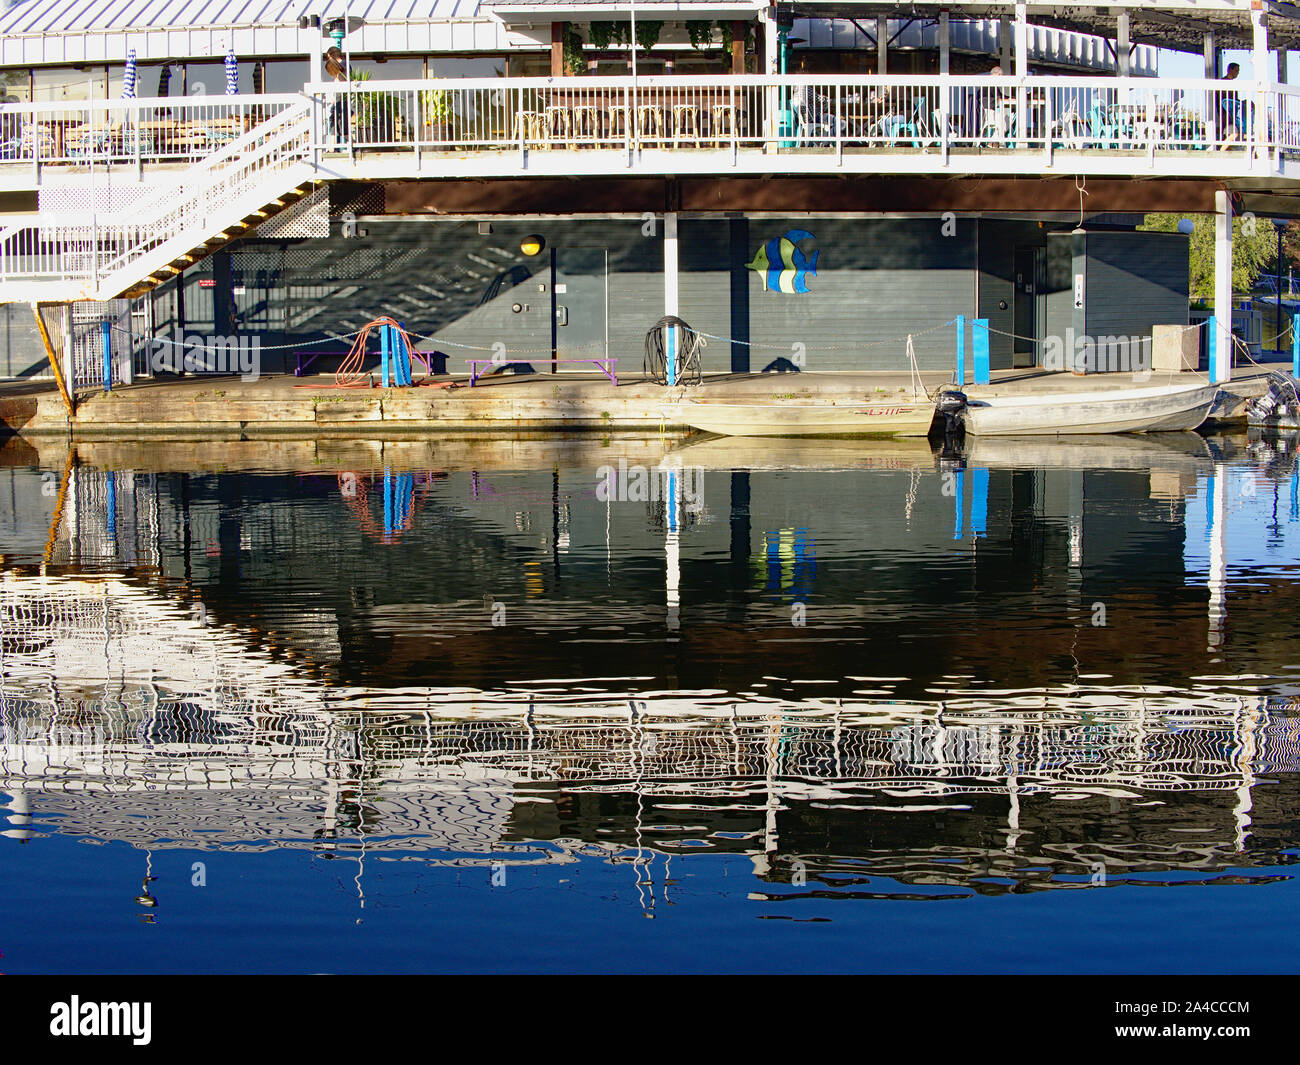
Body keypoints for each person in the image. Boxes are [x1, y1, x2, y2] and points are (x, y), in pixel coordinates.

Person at [325, 46, 350, 143]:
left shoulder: (343, 66)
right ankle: (334, 146)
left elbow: (343, 82)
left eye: (329, 57)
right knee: (336, 122)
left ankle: (348, 145)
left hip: (340, 98)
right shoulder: (343, 65)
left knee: (339, 122)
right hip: (339, 98)